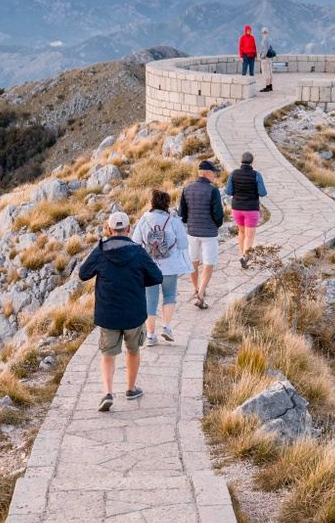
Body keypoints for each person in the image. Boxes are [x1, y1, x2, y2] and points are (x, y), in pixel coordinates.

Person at [78, 211, 163, 411]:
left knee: (108, 354)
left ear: (109, 230)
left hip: (108, 314)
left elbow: (83, 274)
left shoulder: (101, 251)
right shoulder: (138, 252)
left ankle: (107, 393)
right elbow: (156, 276)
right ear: (128, 229)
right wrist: (138, 280)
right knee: (133, 351)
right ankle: (131, 389)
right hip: (134, 313)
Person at [130, 188, 192, 345]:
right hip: (169, 266)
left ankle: (151, 336)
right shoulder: (173, 220)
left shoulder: (144, 219)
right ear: (167, 203)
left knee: (150, 301)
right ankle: (166, 327)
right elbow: (183, 243)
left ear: (152, 202)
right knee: (169, 296)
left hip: (149, 267)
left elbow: (135, 242)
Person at [178, 160, 225, 309]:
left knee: (193, 261)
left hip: (192, 232)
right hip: (209, 233)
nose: (215, 176)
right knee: (208, 263)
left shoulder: (187, 188)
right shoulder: (213, 190)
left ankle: (196, 288)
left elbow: (182, 213)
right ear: (206, 173)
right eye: (213, 173)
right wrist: (216, 225)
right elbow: (218, 214)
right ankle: (201, 293)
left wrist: (190, 222)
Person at [225, 150, 268, 269]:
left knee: (241, 231)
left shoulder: (234, 173)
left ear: (241, 160)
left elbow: (228, 191)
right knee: (249, 235)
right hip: (251, 209)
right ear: (252, 161)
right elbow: (263, 193)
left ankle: (243, 254)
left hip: (237, 208)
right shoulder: (256, 175)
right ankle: (245, 257)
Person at [258, 27, 276, 93]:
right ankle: (270, 86)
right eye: (264, 32)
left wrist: (262, 57)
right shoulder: (269, 40)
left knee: (266, 72)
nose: (264, 33)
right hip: (269, 59)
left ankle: (267, 86)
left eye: (264, 32)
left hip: (265, 59)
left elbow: (265, 51)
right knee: (270, 72)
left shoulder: (264, 40)